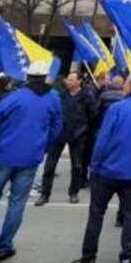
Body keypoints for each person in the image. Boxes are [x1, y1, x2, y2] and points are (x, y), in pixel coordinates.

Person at [70, 74, 131, 263]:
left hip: (108, 170)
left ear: (128, 87)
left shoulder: (116, 109)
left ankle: (88, 257)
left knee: (96, 214)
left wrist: (94, 164)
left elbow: (102, 140)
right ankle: (127, 256)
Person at [0, 61, 63, 263]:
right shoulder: (52, 99)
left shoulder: (14, 97)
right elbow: (57, 127)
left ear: (28, 76)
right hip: (31, 157)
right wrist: (42, 146)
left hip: (3, 155)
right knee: (17, 202)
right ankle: (4, 244)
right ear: (46, 78)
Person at [37, 72, 97, 206]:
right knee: (50, 166)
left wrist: (84, 129)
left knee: (77, 166)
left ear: (79, 81)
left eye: (71, 80)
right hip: (59, 133)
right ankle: (45, 194)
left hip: (78, 134)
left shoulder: (87, 97)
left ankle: (73, 192)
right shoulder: (61, 96)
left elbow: (93, 115)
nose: (67, 82)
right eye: (67, 79)